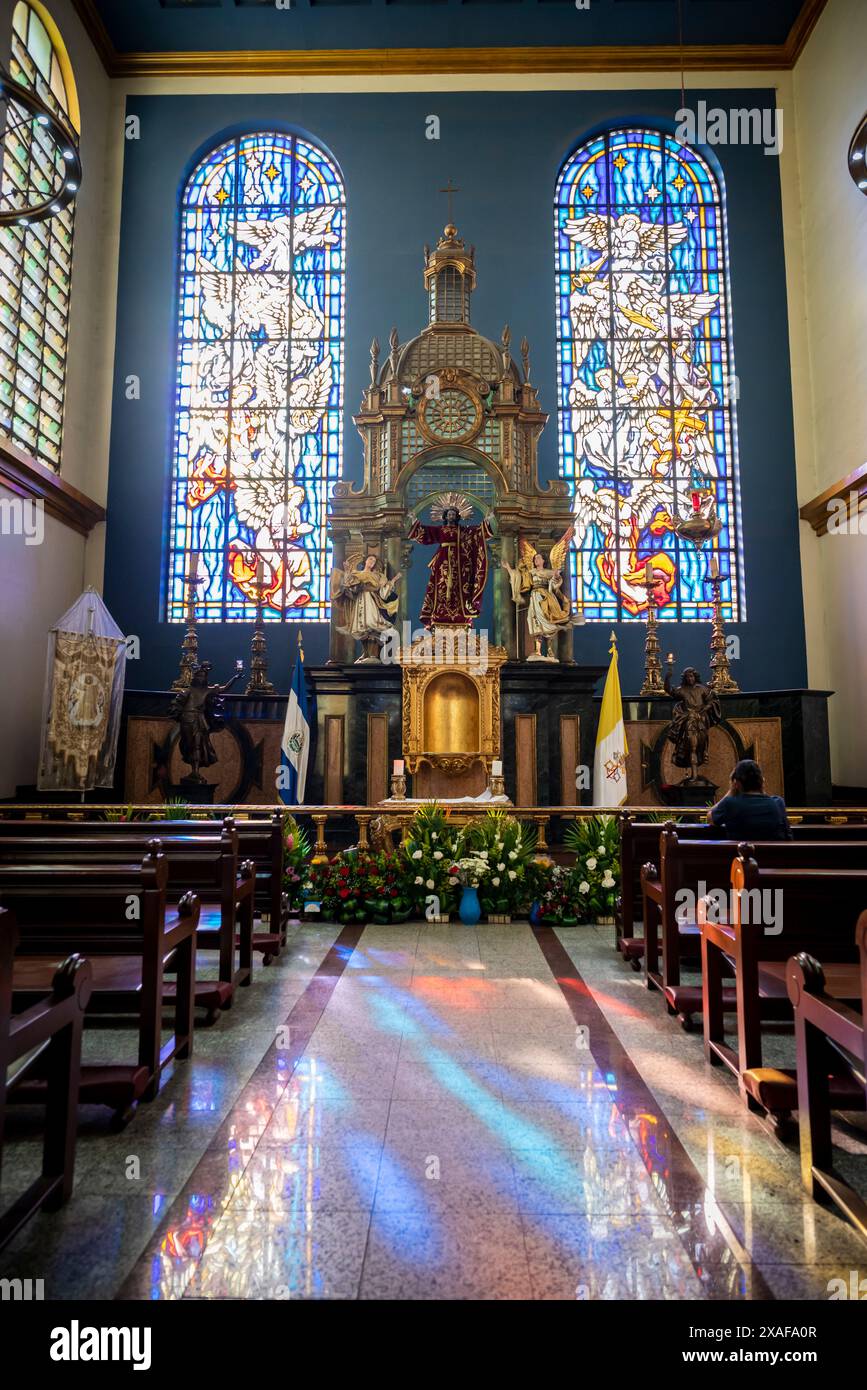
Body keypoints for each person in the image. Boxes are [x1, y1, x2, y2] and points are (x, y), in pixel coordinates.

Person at [707, 759, 792, 840]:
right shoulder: (778, 802)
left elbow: (710, 818)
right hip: (772, 855)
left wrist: (731, 791)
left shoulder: (730, 804)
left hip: (741, 854)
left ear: (736, 783)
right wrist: (761, 788)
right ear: (762, 781)